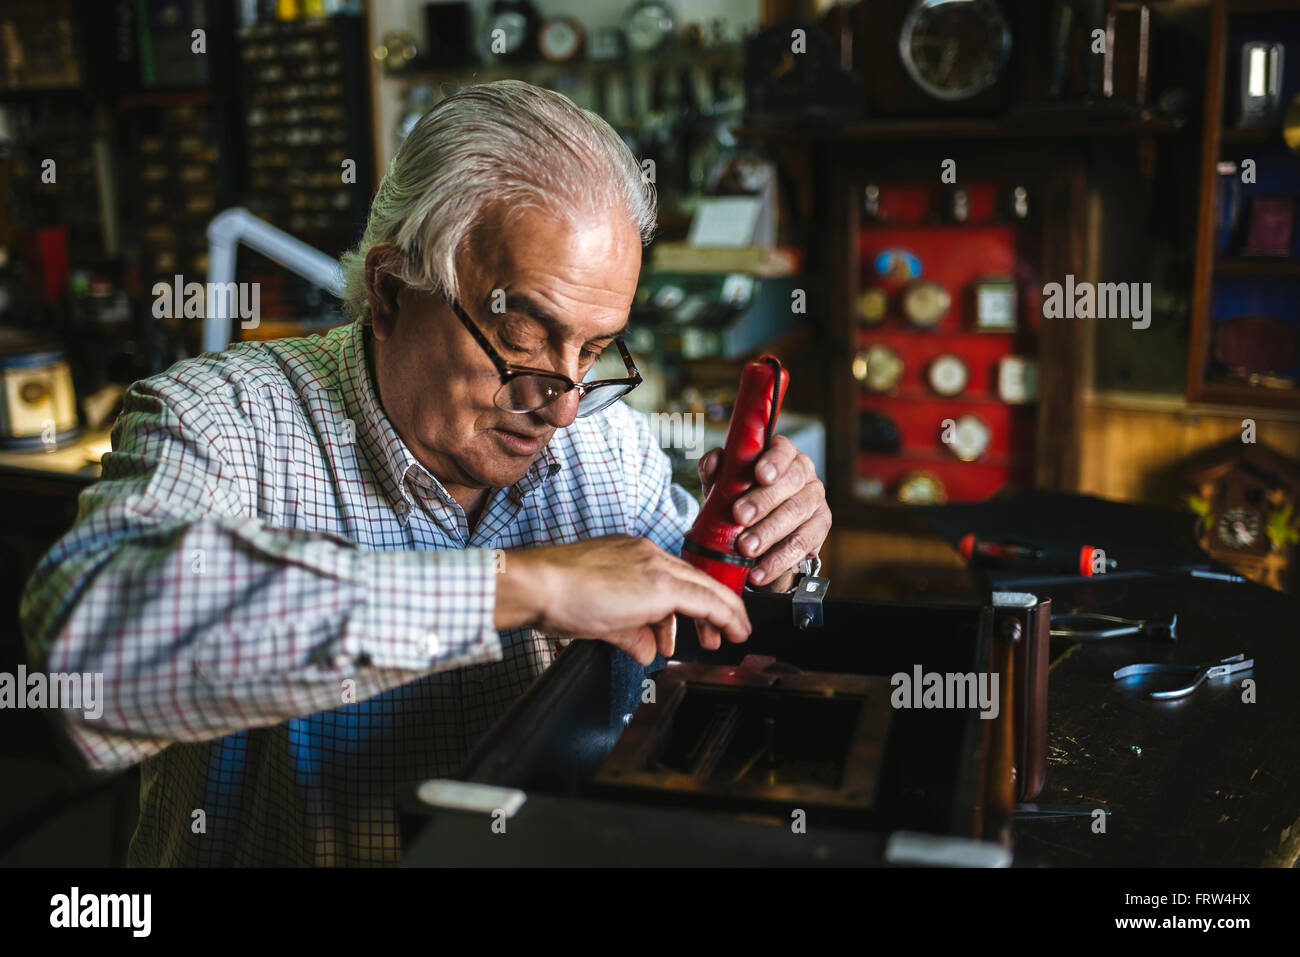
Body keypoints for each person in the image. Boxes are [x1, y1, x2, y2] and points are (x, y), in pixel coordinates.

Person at [20, 80, 831, 866]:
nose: (562, 406)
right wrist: (522, 586)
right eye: (524, 340)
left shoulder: (604, 442)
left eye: (591, 350)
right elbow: (85, 659)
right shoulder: (221, 421)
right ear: (389, 290)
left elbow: (713, 623)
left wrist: (779, 541)